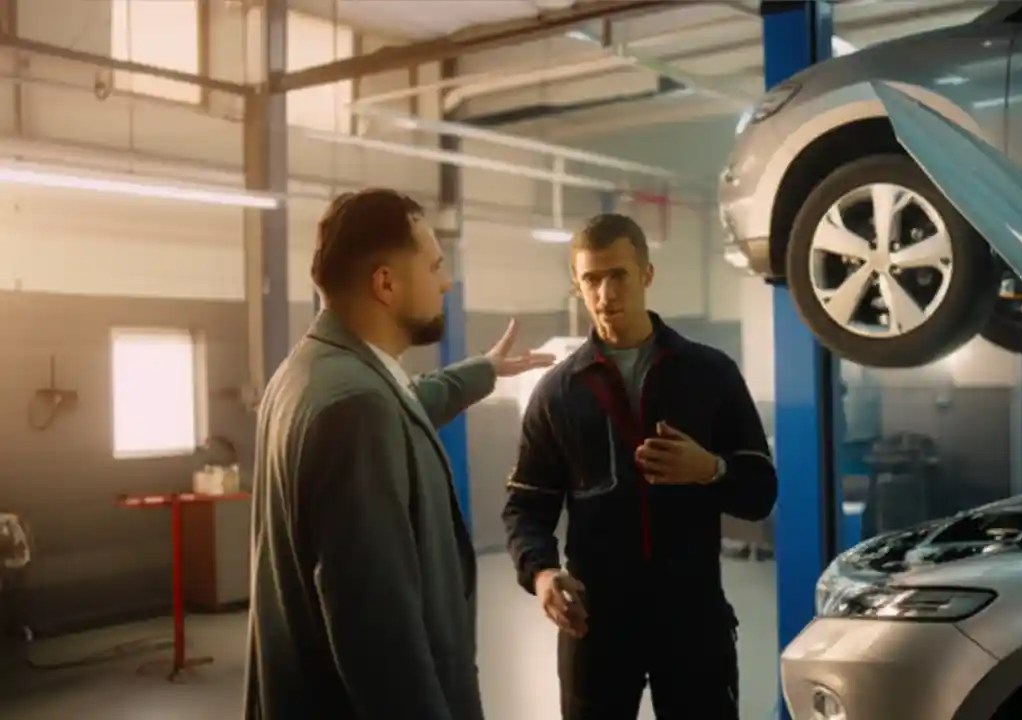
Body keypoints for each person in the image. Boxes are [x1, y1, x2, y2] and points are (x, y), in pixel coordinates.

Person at [244, 188, 554, 720]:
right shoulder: (356, 408)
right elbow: (378, 635)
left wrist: (482, 370)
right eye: (434, 266)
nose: (445, 282)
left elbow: (406, 403)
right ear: (386, 283)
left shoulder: (312, 371)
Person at [502, 213, 778, 719]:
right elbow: (526, 506)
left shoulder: (709, 374)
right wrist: (541, 572)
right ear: (577, 286)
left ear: (646, 275)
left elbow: (761, 491)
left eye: (618, 276)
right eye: (591, 279)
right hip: (595, 623)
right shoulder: (558, 394)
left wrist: (711, 470)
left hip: (692, 618)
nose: (605, 293)